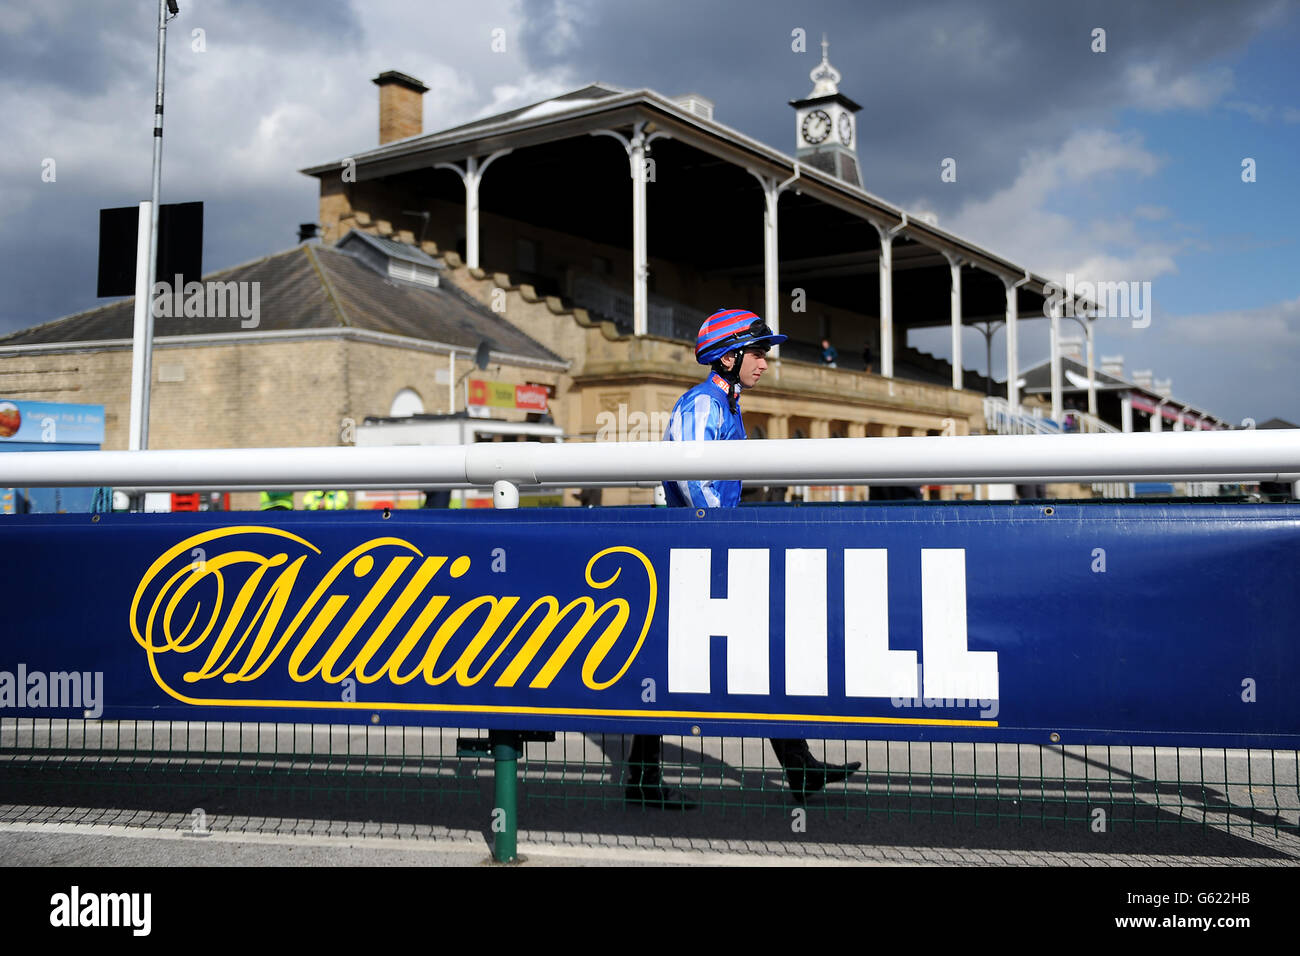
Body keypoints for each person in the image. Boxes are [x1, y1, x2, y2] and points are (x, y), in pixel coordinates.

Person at [626, 309, 862, 808]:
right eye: (758, 353)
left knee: (746, 655)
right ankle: (645, 778)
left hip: (702, 550)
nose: (765, 363)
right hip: (692, 553)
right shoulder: (703, 404)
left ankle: (796, 769)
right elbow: (693, 482)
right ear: (729, 357)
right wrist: (725, 539)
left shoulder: (726, 405)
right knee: (700, 662)